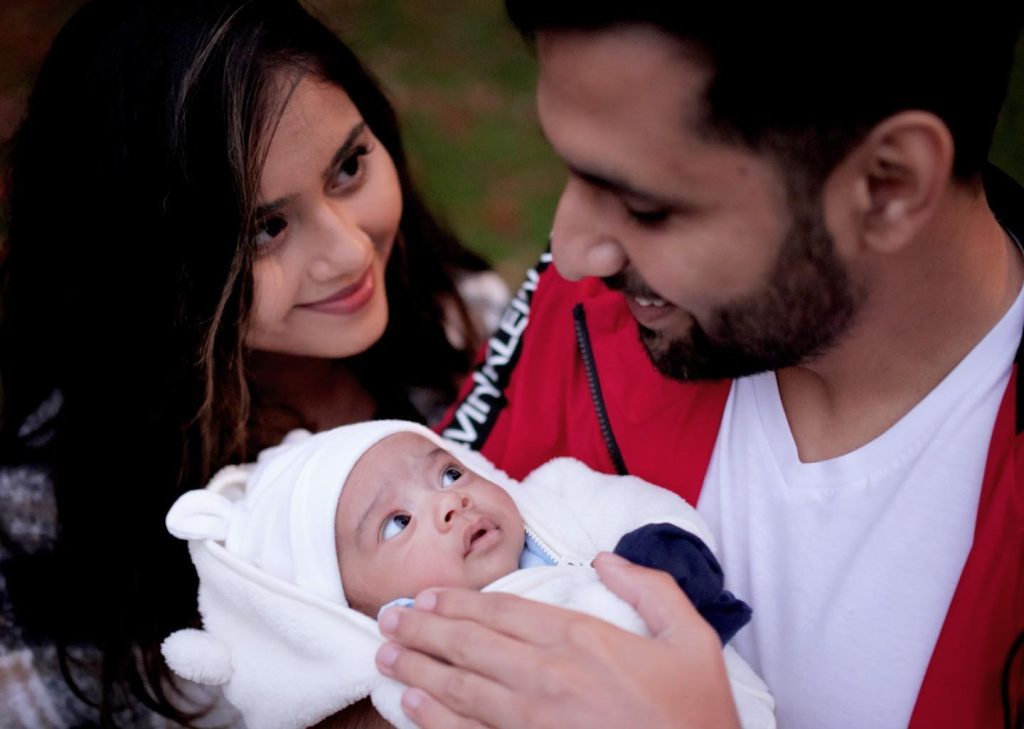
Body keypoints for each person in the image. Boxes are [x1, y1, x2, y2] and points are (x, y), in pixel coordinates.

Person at [375, 5, 1024, 729]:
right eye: (574, 173)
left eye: (644, 207)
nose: (570, 250)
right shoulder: (591, 310)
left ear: (888, 183)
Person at [0, 0, 505, 725]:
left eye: (349, 166)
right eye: (265, 227)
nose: (350, 252)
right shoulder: (48, 516)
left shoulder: (472, 328)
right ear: (140, 266)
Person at [161, 420, 773, 729]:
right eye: (397, 523)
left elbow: (636, 504)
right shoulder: (417, 690)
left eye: (449, 474)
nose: (449, 502)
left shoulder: (558, 506)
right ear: (354, 613)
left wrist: (664, 552)